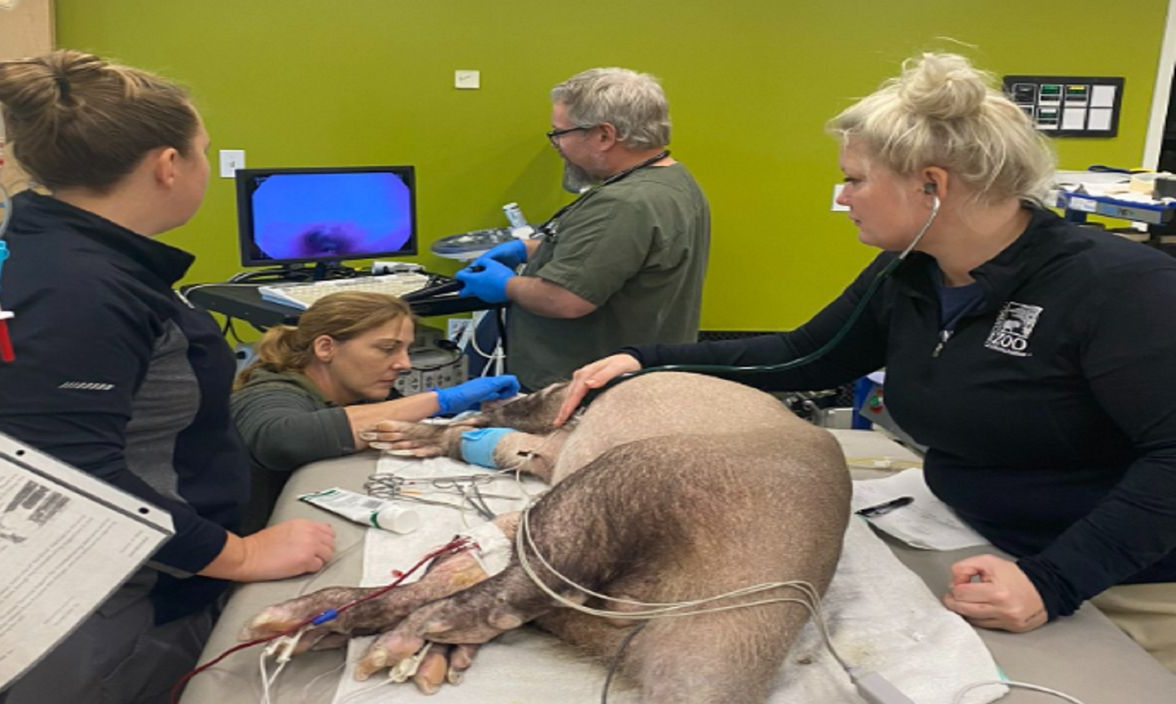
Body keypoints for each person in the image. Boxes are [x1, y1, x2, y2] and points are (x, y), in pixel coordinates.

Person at [555, 52, 1176, 672]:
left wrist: (1053, 581)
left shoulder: (1120, 288)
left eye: (855, 179)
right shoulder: (911, 271)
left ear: (931, 185)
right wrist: (646, 360)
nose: (843, 195)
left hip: (1118, 578)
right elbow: (806, 355)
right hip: (980, 535)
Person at [0, 50, 336, 704]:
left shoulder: (60, 251)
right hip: (114, 605)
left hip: (123, 582)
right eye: (203, 151)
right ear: (167, 164)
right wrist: (237, 555)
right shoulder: (79, 287)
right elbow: (68, 474)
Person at [455, 67, 711, 390]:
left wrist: (506, 286)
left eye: (560, 133)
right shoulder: (675, 182)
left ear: (604, 136)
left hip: (587, 390)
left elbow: (566, 298)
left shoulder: (623, 203)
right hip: (640, 379)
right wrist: (529, 249)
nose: (557, 145)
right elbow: (622, 255)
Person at [230, 291, 520, 530]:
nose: (404, 364)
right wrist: (439, 400)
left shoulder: (363, 394)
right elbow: (283, 440)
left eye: (406, 349)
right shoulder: (268, 391)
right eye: (387, 349)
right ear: (325, 348)